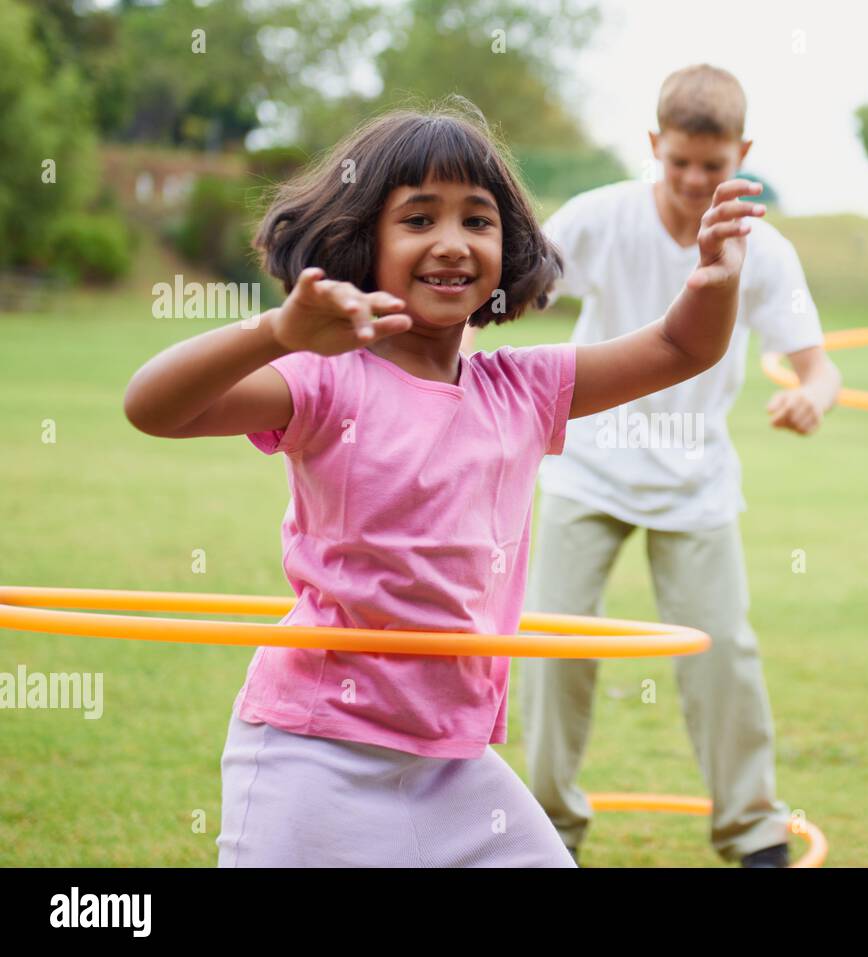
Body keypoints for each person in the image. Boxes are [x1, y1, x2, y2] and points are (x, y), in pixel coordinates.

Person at [121, 99, 765, 866]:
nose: (453, 244)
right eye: (419, 219)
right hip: (316, 750)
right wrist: (275, 333)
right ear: (365, 239)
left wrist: (716, 279)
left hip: (452, 761)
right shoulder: (326, 384)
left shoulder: (523, 390)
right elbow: (154, 406)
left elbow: (677, 347)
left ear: (510, 242)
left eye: (478, 220)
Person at [498, 65, 841, 867]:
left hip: (696, 480)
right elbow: (517, 291)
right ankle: (551, 832)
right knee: (554, 646)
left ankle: (754, 832)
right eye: (679, 160)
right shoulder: (601, 218)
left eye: (712, 166)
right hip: (587, 467)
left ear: (741, 155)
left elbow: (818, 365)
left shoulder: (765, 248)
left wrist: (813, 397)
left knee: (723, 651)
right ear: (655, 145)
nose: (692, 180)